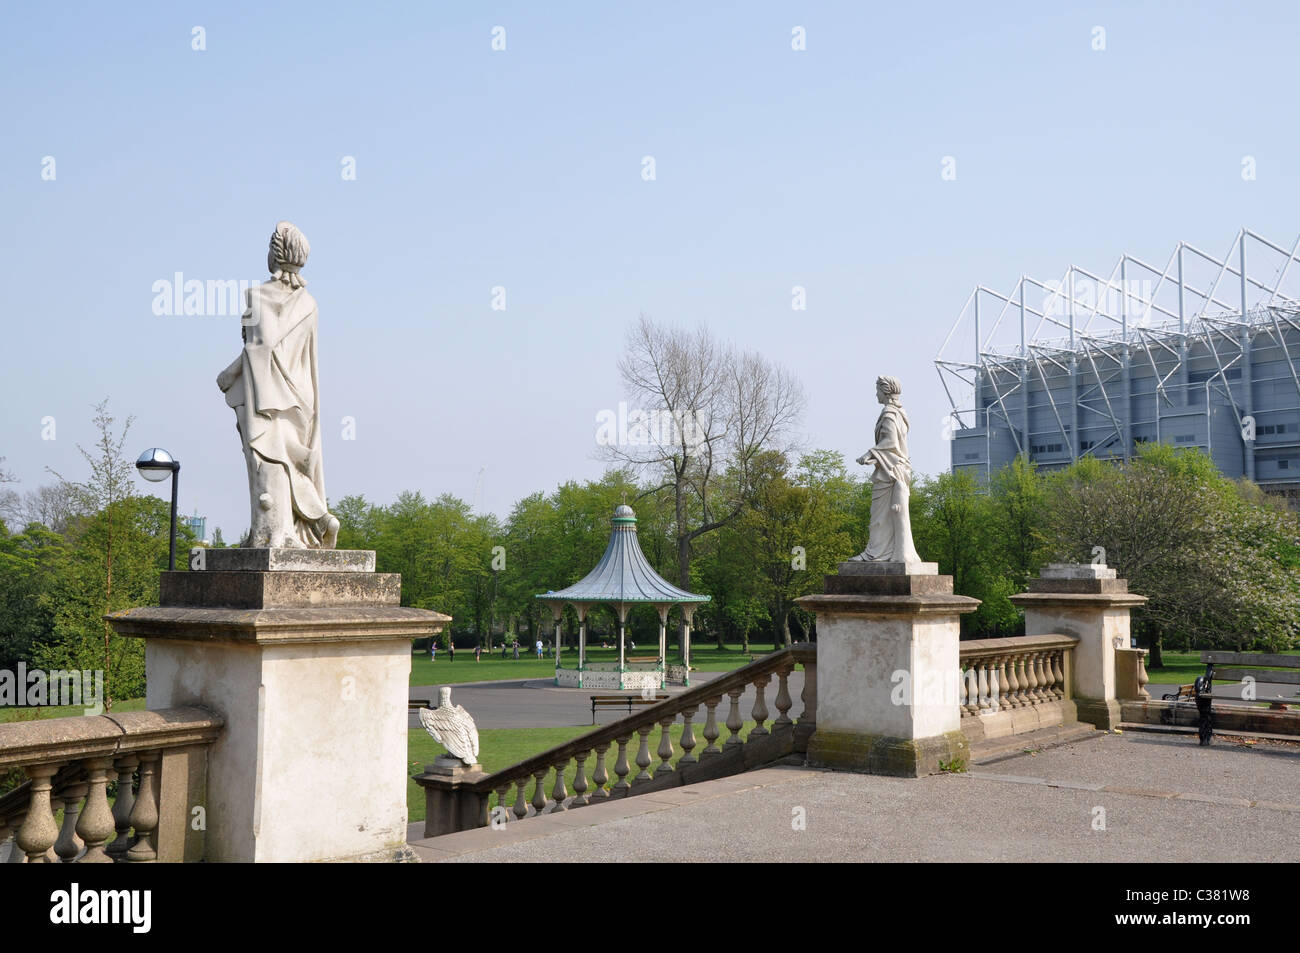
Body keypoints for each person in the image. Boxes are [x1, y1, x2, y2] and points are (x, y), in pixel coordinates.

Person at [217, 221, 339, 549]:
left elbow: (261, 348)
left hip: (265, 393)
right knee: (288, 461)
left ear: (274, 253)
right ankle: (312, 519)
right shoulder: (309, 302)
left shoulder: (257, 297)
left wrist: (229, 375)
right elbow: (304, 356)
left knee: (266, 461)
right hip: (300, 395)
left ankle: (271, 534)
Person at [852, 375, 922, 564]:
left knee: (879, 516)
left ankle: (875, 553)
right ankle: (883, 552)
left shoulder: (890, 414)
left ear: (885, 391)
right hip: (891, 467)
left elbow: (891, 442)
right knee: (884, 515)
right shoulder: (899, 413)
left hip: (890, 472)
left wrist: (870, 453)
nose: (876, 394)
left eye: (877, 390)